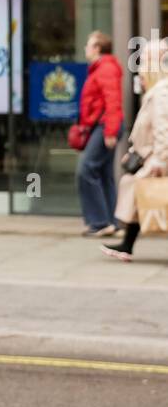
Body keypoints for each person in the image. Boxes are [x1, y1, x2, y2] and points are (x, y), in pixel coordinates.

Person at [102, 37, 168, 260]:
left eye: (145, 60)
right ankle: (126, 245)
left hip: (159, 157)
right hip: (151, 155)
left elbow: (163, 129)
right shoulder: (158, 90)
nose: (140, 67)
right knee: (139, 195)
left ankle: (126, 244)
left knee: (148, 195)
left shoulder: (162, 92)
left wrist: (161, 159)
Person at [76, 30, 124, 236]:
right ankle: (114, 222)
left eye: (88, 44)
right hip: (103, 126)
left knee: (86, 170)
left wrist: (110, 131)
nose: (86, 48)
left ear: (97, 48)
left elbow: (112, 101)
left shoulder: (105, 68)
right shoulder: (100, 68)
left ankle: (99, 222)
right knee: (104, 175)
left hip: (106, 126)